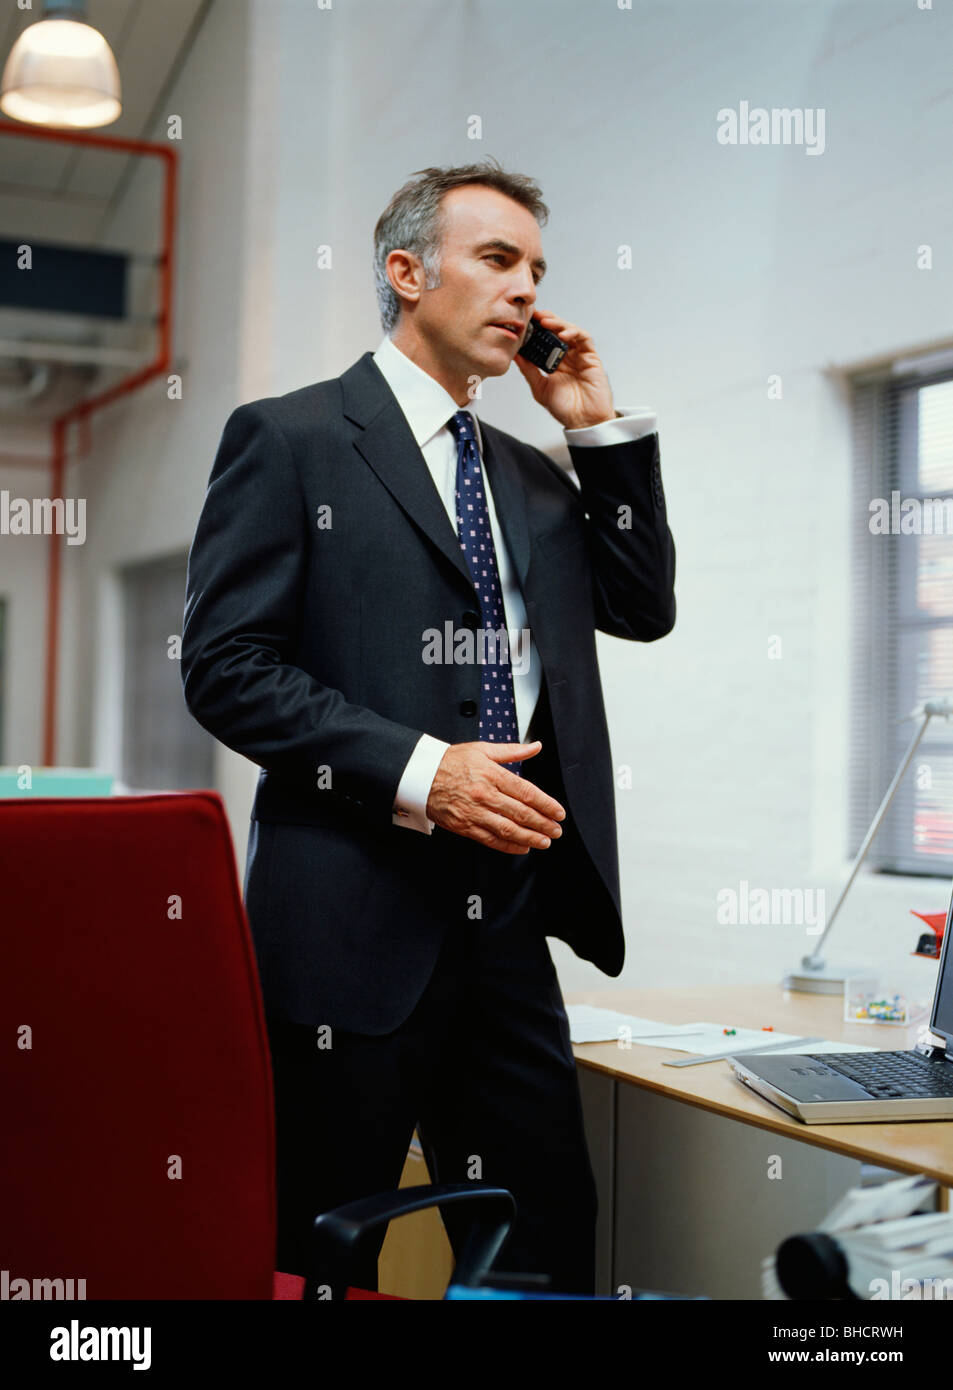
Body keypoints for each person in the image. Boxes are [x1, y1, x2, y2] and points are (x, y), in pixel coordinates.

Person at [181, 158, 676, 1296]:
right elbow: (225, 667)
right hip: (347, 923)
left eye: (536, 270)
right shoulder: (290, 438)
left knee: (543, 1241)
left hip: (507, 920)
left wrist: (598, 433)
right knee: (321, 1244)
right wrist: (421, 770)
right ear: (405, 272)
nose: (526, 293)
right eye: (497, 260)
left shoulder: (534, 477)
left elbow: (640, 607)